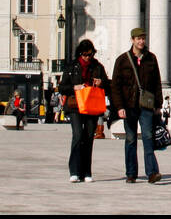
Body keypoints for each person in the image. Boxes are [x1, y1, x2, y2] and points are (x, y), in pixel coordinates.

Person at [111, 27, 164, 183]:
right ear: (132, 40)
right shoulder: (122, 60)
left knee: (148, 137)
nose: (141, 41)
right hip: (128, 105)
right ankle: (131, 173)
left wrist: (158, 105)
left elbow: (157, 83)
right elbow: (115, 86)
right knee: (131, 138)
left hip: (146, 106)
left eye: (143, 38)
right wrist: (119, 107)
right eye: (138, 38)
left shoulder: (151, 59)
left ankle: (152, 172)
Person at [59, 38, 109, 183]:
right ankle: (74, 171)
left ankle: (86, 171)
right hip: (75, 105)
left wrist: (101, 83)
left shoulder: (97, 66)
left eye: (90, 54)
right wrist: (75, 87)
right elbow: (62, 87)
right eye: (85, 54)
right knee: (78, 135)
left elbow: (107, 83)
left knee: (88, 138)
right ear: (80, 54)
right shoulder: (72, 66)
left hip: (91, 105)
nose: (88, 57)